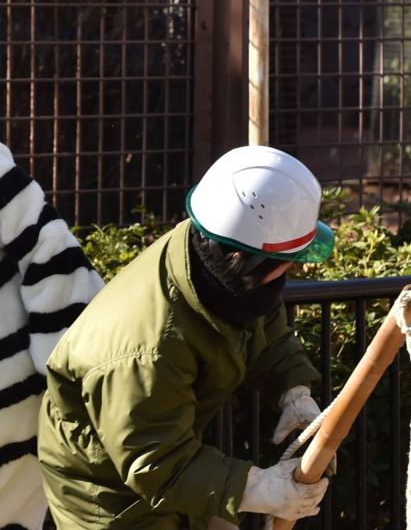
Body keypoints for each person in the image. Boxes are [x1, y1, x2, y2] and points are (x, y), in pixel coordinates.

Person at [37, 145, 335, 529]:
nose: (291, 269)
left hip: (162, 451)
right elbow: (157, 463)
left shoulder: (213, 260)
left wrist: (293, 389)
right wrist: (257, 487)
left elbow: (262, 317)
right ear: (251, 262)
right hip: (107, 488)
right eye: (289, 262)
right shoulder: (146, 349)